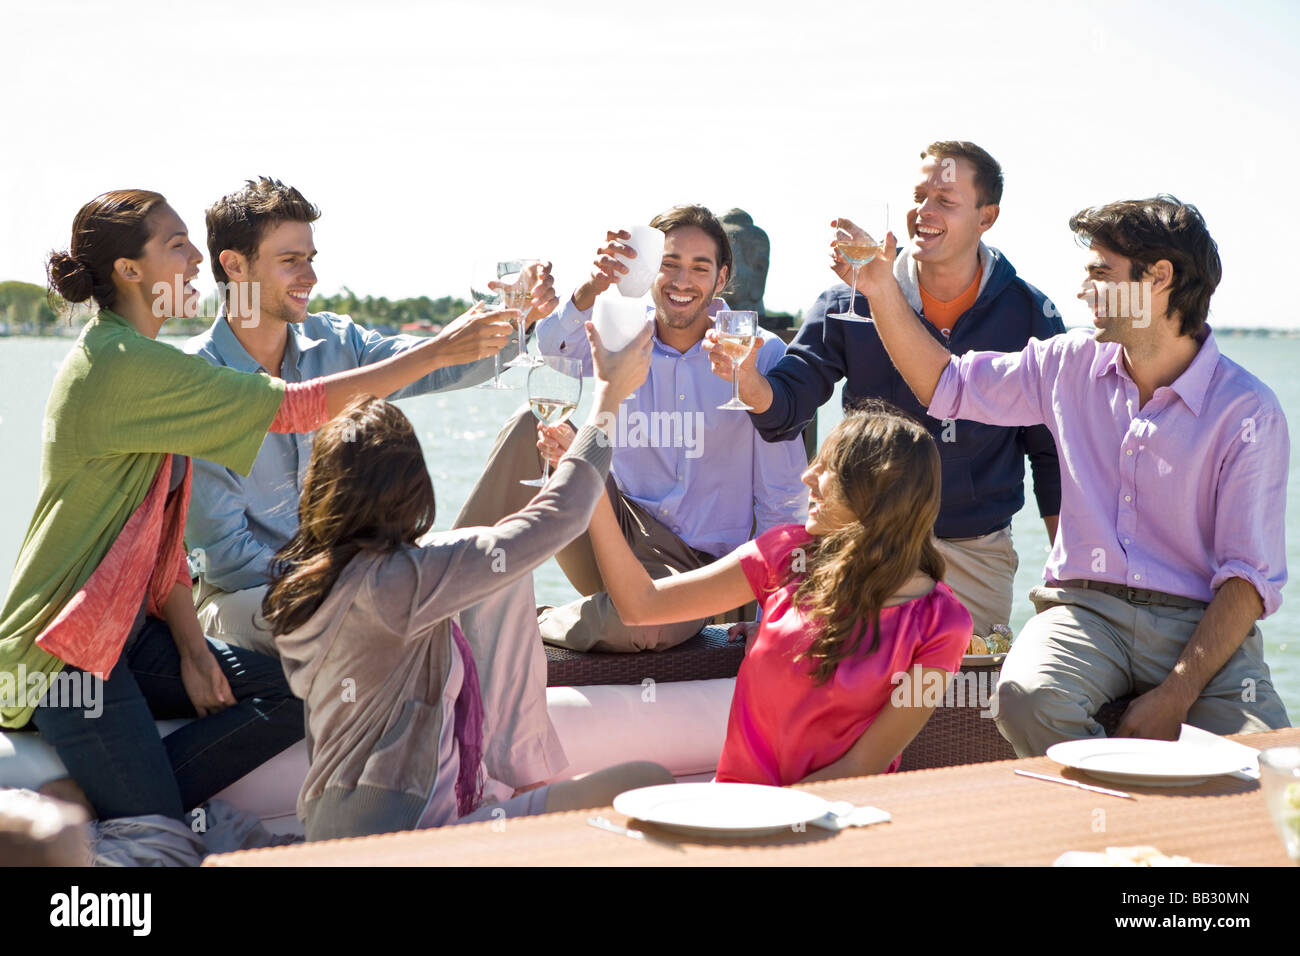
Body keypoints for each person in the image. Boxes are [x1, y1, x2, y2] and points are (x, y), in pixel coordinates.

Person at [0, 189, 515, 822]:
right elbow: (295, 407)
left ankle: (107, 795)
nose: (196, 261)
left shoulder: (152, 362)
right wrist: (436, 350)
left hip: (130, 634)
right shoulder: (121, 363)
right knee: (157, 830)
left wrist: (192, 651)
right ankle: (124, 803)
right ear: (129, 272)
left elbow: (158, 548)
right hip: (66, 652)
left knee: (287, 697)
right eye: (177, 245)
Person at [853, 193, 1291, 754]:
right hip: (1084, 614)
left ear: (1158, 279)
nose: (1083, 291)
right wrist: (882, 290)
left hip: (1202, 623)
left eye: (1099, 273)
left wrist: (1175, 695)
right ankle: (1109, 820)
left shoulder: (1247, 411)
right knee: (1023, 695)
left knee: (1272, 757)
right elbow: (945, 385)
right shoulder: (1066, 362)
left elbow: (1246, 580)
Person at [183, 178, 565, 790]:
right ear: (233, 265)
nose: (307, 275)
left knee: (496, 572)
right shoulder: (198, 382)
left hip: (353, 578)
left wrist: (518, 322)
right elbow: (227, 560)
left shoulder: (338, 341)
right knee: (388, 604)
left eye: (310, 258)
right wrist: (357, 581)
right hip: (247, 601)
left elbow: (441, 367)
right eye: (289, 260)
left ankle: (527, 787)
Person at [262, 324, 672, 841]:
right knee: (649, 780)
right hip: (407, 840)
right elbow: (555, 520)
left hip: (331, 828)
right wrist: (610, 396)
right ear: (411, 490)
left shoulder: (308, 582)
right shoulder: (403, 582)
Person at [704, 142, 1064, 641]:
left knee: (963, 705)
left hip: (975, 553)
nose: (925, 211)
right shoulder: (845, 301)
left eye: (945, 199)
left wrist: (1067, 581)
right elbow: (789, 404)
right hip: (863, 543)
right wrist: (749, 384)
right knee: (850, 696)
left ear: (987, 216)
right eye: (919, 196)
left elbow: (1051, 456)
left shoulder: (1030, 316)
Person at [456, 204, 809, 653]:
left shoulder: (757, 352)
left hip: (694, 569)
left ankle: (529, 621)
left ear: (721, 280)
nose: (683, 282)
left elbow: (782, 500)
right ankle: (442, 586)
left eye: (700, 268)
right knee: (534, 425)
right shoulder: (622, 328)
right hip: (610, 526)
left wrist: (771, 615)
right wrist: (592, 287)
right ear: (648, 271)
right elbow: (551, 348)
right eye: (669, 265)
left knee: (643, 626)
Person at [585, 403, 972, 784]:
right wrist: (595, 493)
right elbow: (642, 606)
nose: (807, 476)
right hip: (738, 813)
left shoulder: (947, 626)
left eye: (828, 468)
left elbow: (864, 764)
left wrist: (776, 820)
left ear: (875, 490)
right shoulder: (785, 554)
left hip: (832, 822)